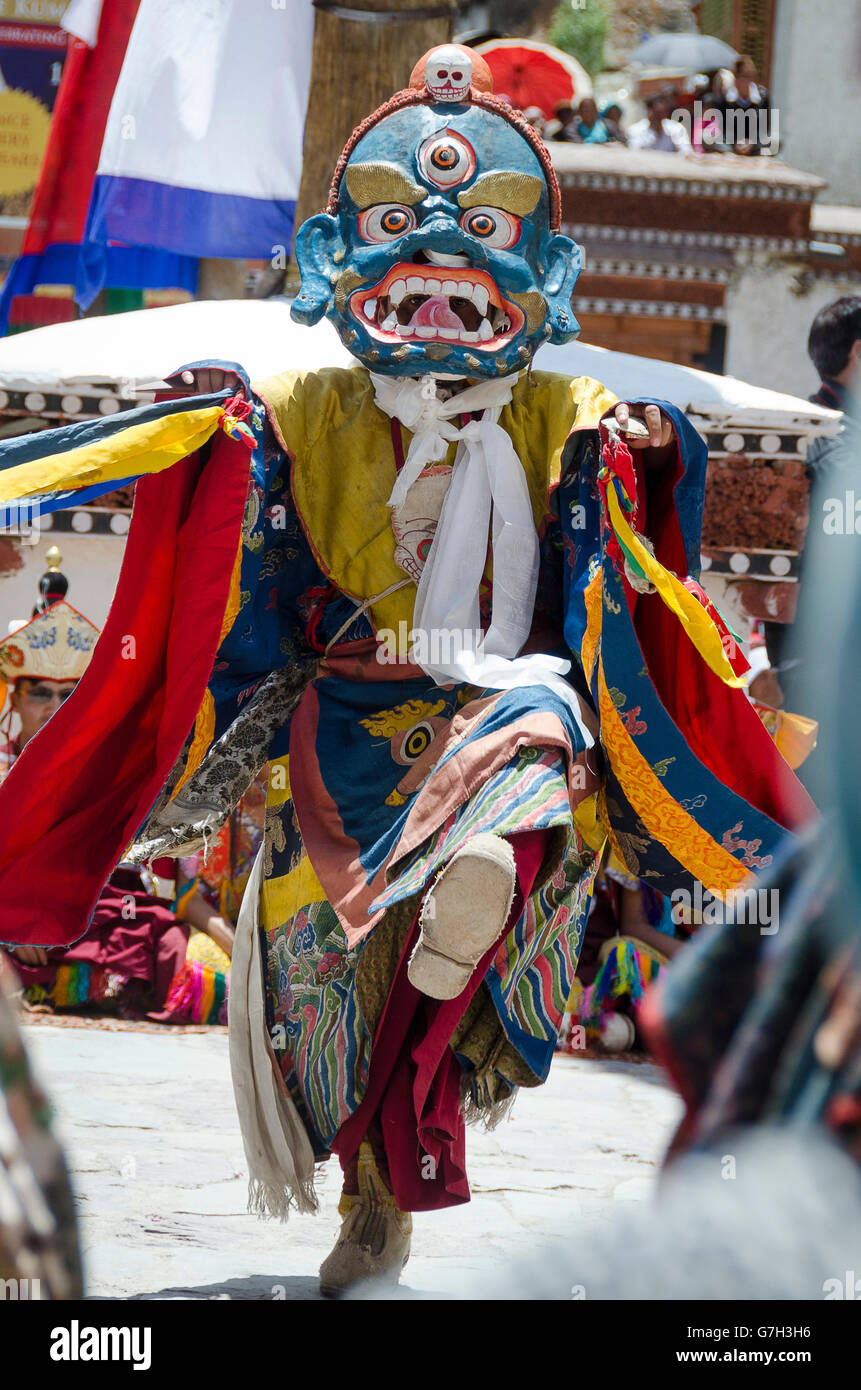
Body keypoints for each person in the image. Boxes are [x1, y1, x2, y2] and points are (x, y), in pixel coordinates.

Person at [0, 44, 814, 1297]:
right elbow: (246, 557)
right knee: (345, 999)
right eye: (393, 227)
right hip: (349, 728)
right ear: (335, 260)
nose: (440, 268)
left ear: (542, 278)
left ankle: (481, 874)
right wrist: (221, 437)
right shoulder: (305, 406)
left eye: (484, 231)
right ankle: (376, 1206)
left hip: (502, 703)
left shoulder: (556, 409)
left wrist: (647, 453)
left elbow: (619, 539)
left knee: (541, 742)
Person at [0, 583, 232, 1023]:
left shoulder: (118, 778)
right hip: (20, 931)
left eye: (68, 694)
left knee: (200, 972)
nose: (54, 707)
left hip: (125, 927)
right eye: (40, 693)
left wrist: (237, 947)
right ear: (14, 696)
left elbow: (177, 890)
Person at [627, 89, 692, 153]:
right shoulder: (636, 130)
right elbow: (634, 152)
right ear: (649, 111)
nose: (657, 118)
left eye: (663, 112)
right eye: (656, 114)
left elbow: (686, 151)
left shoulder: (676, 128)